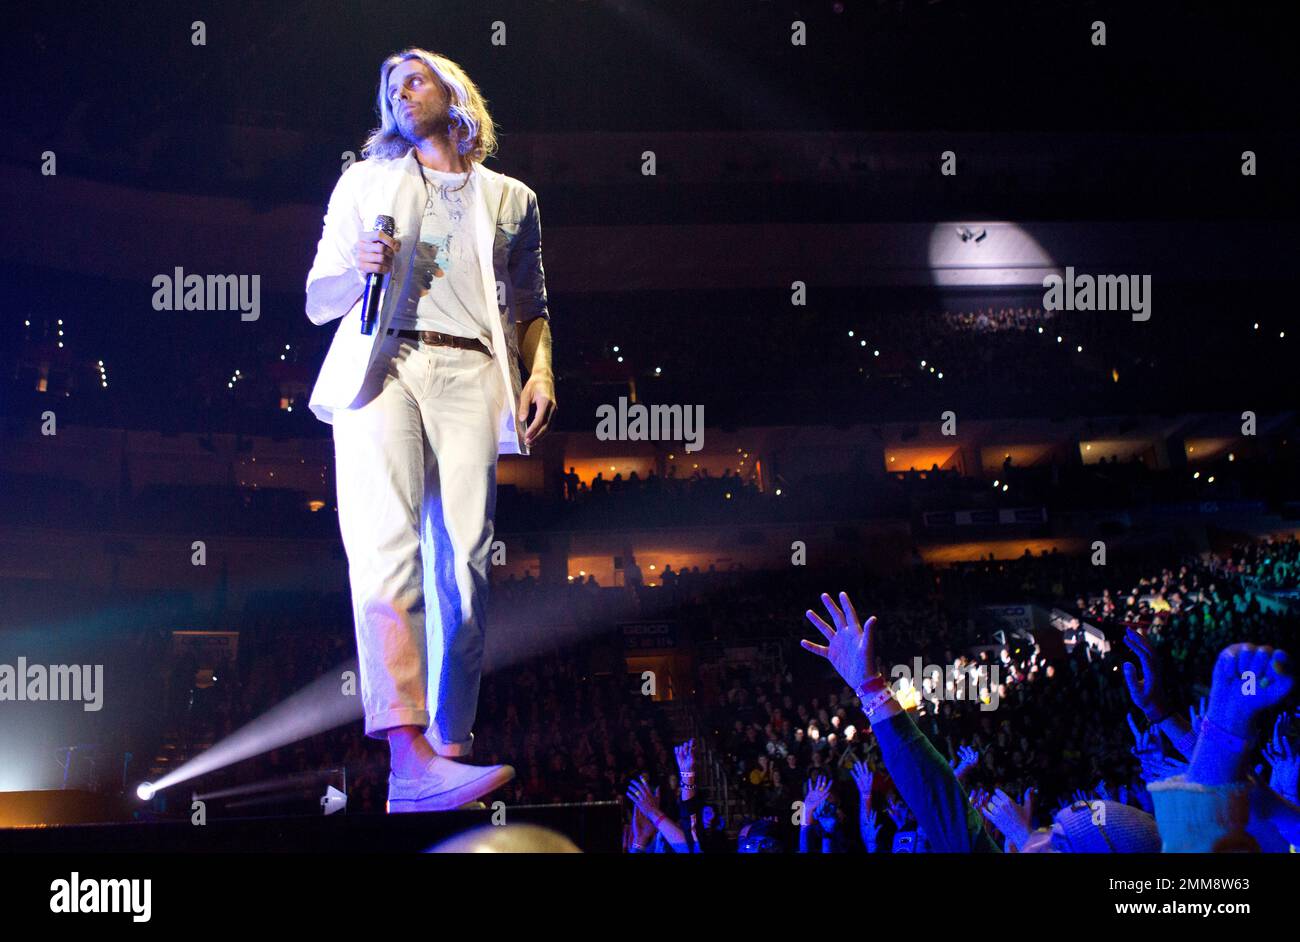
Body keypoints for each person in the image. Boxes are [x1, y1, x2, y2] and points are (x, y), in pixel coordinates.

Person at [304, 48, 556, 811]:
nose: (398, 91)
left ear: (454, 91)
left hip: (474, 373)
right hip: (385, 367)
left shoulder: (512, 197)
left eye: (412, 78)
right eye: (387, 85)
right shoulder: (365, 181)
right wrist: (358, 264)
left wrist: (541, 372)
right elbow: (320, 298)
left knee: (466, 571)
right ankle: (407, 753)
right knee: (388, 551)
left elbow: (532, 303)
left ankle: (447, 752)